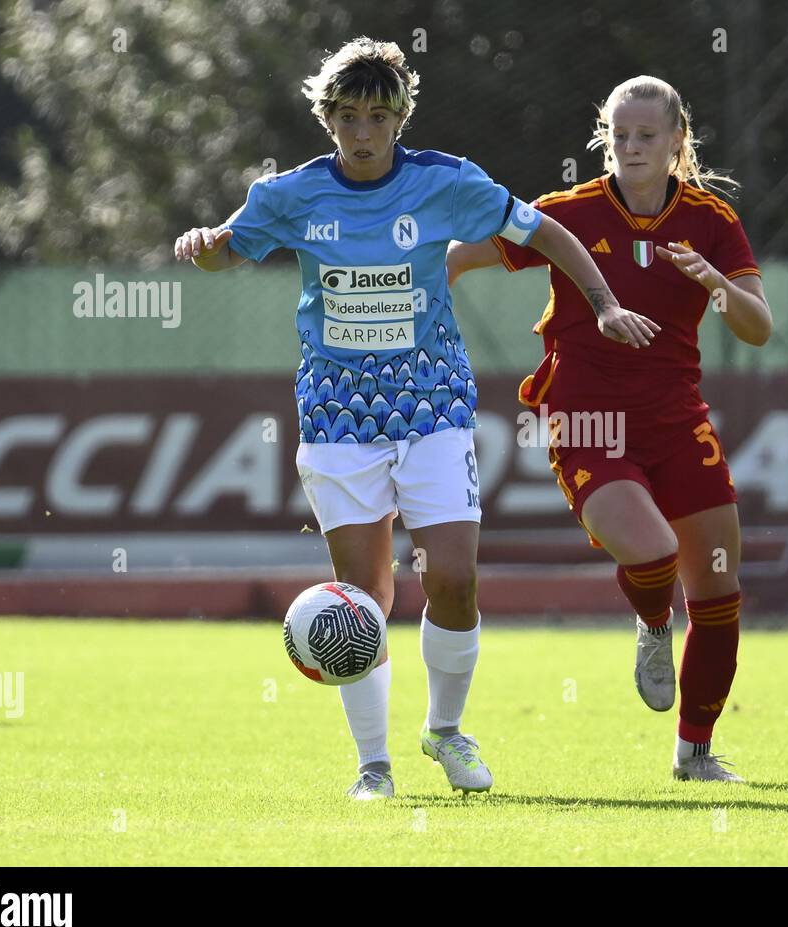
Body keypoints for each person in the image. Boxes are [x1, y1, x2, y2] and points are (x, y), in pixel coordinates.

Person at [173, 39, 658, 800]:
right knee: (361, 602)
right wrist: (201, 246)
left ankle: (446, 731)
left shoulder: (446, 182)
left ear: (400, 117)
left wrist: (604, 304)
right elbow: (227, 251)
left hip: (432, 406)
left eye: (378, 115)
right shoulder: (289, 195)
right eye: (347, 116)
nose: (363, 132)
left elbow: (548, 233)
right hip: (337, 418)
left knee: (456, 581)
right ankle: (373, 766)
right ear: (326, 119)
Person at [448, 75, 772, 783]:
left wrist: (717, 281)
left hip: (675, 415)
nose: (630, 147)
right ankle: (655, 625)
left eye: (646, 135)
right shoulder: (569, 213)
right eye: (619, 135)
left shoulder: (711, 220)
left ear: (678, 141)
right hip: (587, 416)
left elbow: (757, 329)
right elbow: (459, 257)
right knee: (654, 554)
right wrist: (407, 293)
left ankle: (696, 752)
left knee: (717, 582)